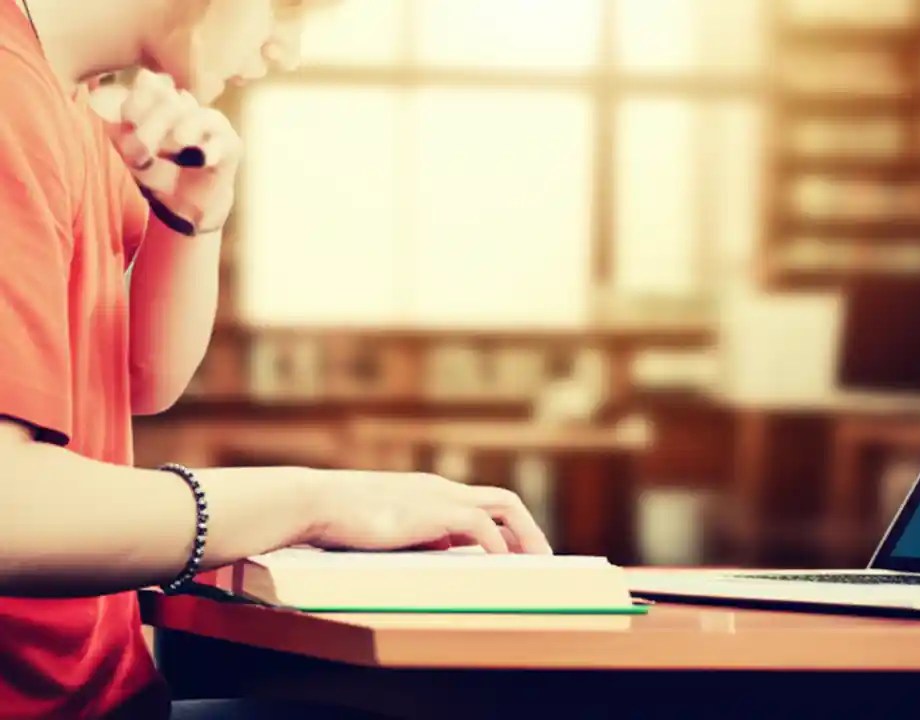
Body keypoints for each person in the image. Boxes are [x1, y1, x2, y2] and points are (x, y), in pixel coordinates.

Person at [0, 1, 553, 717]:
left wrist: (193, 216)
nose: (288, 48)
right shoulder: (11, 103)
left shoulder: (69, 95)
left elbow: (138, 380)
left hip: (106, 690)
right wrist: (316, 504)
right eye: (292, 7)